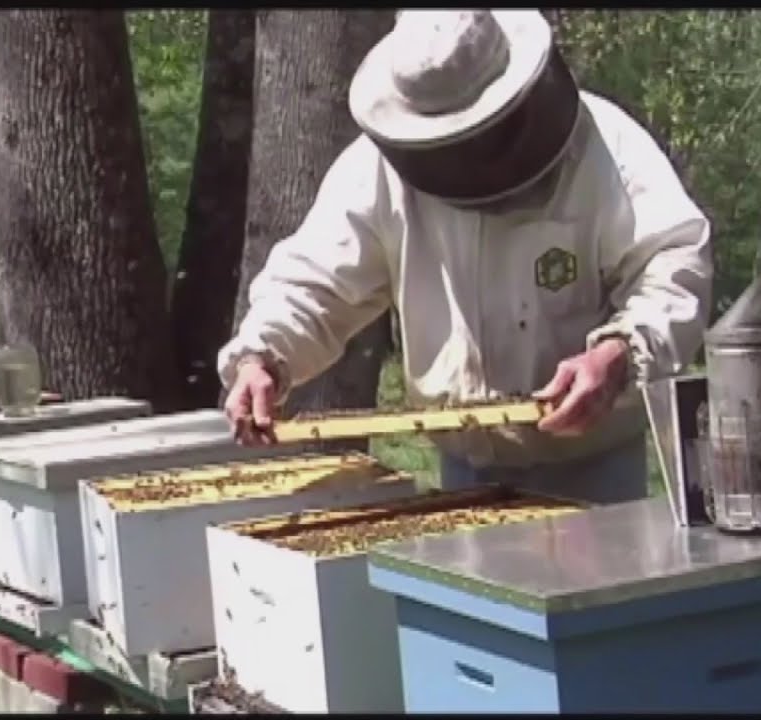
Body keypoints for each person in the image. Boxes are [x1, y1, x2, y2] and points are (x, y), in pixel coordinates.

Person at [218, 9, 713, 505]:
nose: (471, 161)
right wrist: (262, 355)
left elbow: (672, 264)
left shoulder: (608, 148)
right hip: (465, 468)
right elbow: (315, 281)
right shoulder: (376, 171)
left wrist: (619, 353)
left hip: (595, 466)